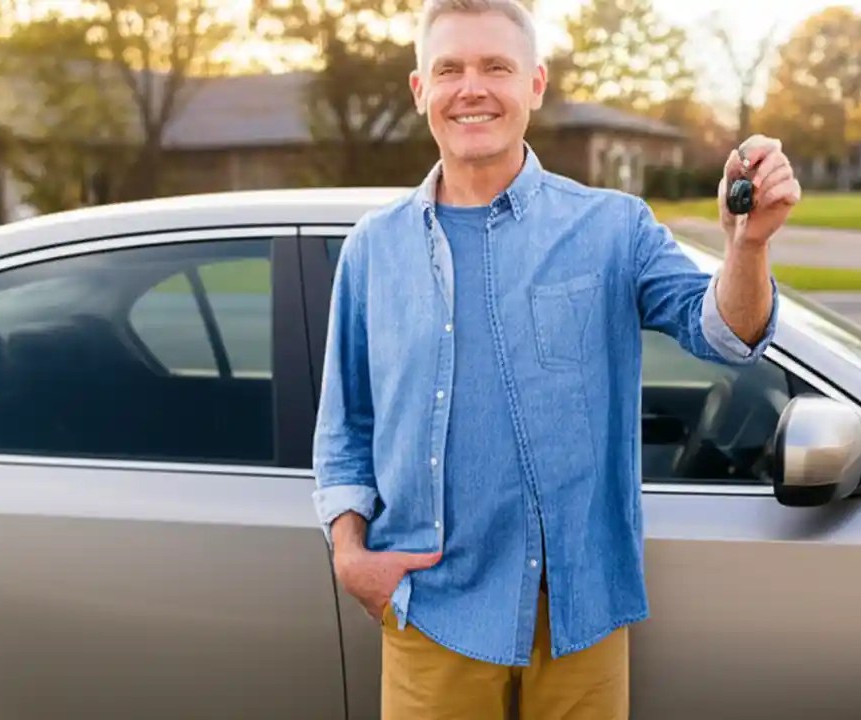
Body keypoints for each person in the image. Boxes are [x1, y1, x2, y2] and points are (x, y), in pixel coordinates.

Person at [312, 0, 799, 717]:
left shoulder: (613, 226)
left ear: (535, 85)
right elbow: (344, 426)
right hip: (433, 613)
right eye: (449, 69)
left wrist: (747, 247)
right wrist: (351, 558)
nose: (471, 88)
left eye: (495, 68)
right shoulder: (372, 249)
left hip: (578, 610)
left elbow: (725, 333)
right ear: (421, 91)